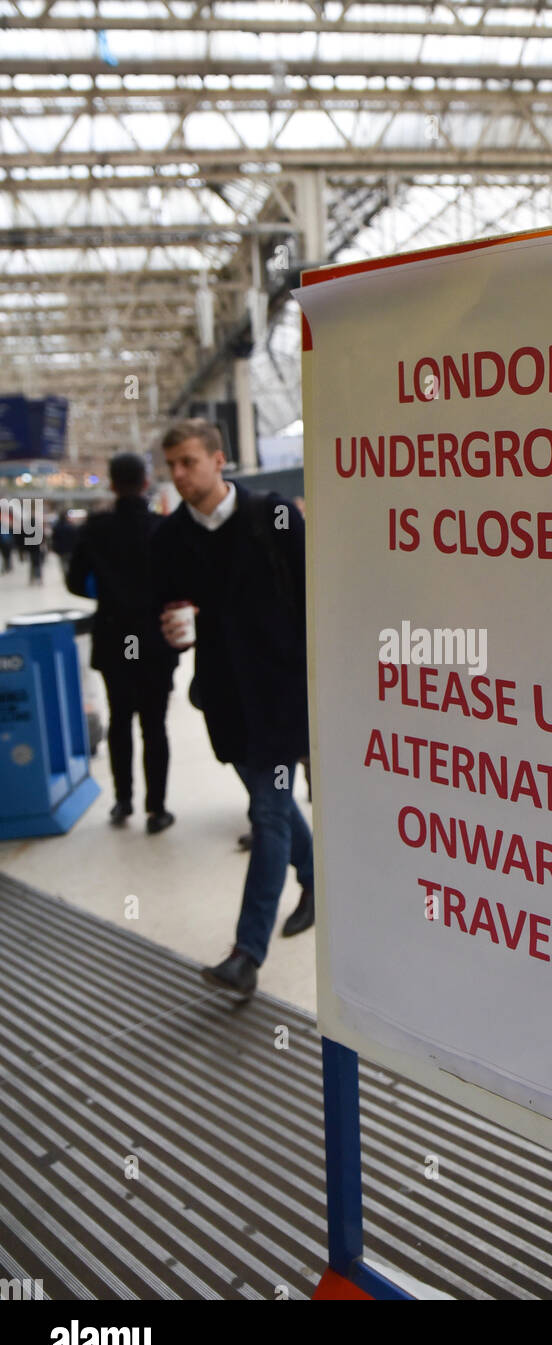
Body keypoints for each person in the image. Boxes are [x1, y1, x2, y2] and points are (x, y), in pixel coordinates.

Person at [153, 419, 314, 998]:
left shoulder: (273, 516)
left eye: (188, 462)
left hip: (279, 695)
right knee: (267, 803)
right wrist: (171, 633)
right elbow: (162, 613)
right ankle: (317, 877)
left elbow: (311, 598)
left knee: (268, 813)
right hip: (225, 701)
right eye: (170, 464)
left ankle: (247, 954)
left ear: (220, 460)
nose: (178, 474)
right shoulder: (170, 537)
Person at [67, 453, 178, 832]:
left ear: (112, 485)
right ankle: (156, 809)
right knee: (155, 725)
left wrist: (108, 592)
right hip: (155, 640)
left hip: (115, 638)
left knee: (120, 721)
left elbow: (75, 581)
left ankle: (123, 801)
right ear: (146, 482)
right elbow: (180, 584)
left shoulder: (96, 529)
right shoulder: (162, 528)